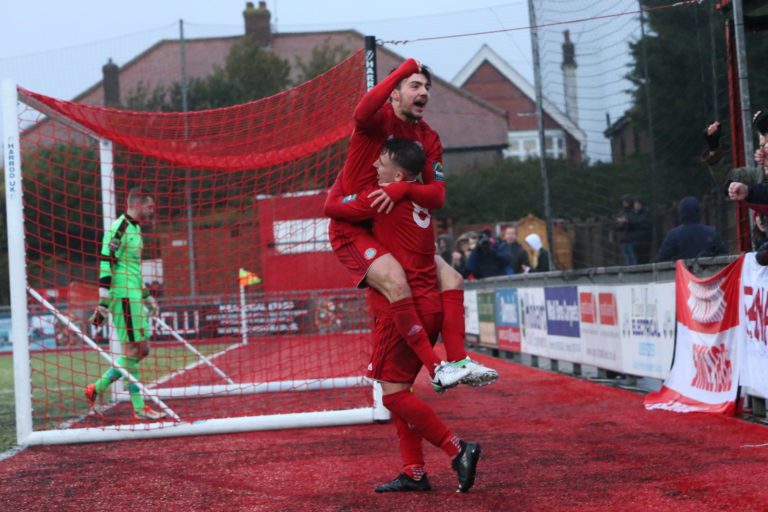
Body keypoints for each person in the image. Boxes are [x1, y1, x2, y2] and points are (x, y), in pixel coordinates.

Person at [324, 57, 497, 386]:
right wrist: (403, 68)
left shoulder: (428, 137)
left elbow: (438, 195)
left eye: (427, 87)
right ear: (394, 94)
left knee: (453, 279)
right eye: (415, 85)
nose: (424, 93)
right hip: (355, 227)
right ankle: (435, 368)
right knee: (396, 283)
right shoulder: (378, 121)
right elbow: (361, 114)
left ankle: (458, 360)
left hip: (391, 227)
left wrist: (403, 187)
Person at [325, 139, 481, 493]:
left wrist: (344, 173)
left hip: (405, 307)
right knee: (400, 390)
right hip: (430, 304)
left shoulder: (382, 199)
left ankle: (457, 449)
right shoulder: (418, 196)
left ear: (397, 174)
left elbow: (332, 207)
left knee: (393, 396)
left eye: (380, 163)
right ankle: (413, 471)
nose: (374, 167)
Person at [85, 187, 166, 420]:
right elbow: (106, 262)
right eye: (150, 207)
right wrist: (103, 302)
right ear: (138, 205)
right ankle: (140, 408)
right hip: (122, 297)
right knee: (132, 350)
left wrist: (147, 296)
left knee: (142, 350)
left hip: (135, 297)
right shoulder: (118, 228)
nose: (153, 211)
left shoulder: (136, 229)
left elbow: (134, 270)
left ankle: (96, 389)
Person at [655, 196, 728, 262]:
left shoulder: (673, 235)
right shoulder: (711, 232)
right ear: (699, 211)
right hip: (708, 274)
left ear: (680, 213)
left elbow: (660, 260)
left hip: (682, 275)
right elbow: (725, 256)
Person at [615, 194, 637, 265]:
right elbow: (617, 226)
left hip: (631, 238)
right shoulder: (621, 212)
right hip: (623, 238)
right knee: (626, 257)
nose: (624, 203)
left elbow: (635, 222)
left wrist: (626, 221)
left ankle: (635, 270)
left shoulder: (633, 212)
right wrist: (620, 223)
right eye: (623, 202)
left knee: (632, 256)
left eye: (626, 202)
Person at [631, 196, 653, 264]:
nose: (636, 205)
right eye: (635, 203)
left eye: (637, 203)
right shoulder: (632, 214)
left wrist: (637, 223)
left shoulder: (646, 213)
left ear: (641, 204)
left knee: (645, 258)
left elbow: (649, 225)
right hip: (635, 240)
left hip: (645, 240)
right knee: (636, 259)